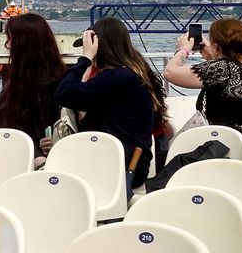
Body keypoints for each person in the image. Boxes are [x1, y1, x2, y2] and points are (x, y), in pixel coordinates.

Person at [54, 16, 166, 189]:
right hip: (127, 161)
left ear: (101, 48)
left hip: (121, 166)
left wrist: (85, 60)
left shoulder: (118, 78)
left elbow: (64, 94)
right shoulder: (131, 74)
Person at [163, 18, 242, 163]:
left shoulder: (224, 68)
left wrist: (183, 49)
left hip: (217, 152)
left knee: (161, 160)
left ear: (216, 47)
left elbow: (170, 73)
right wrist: (212, 56)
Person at [0, 13, 63, 159]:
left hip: (24, 149)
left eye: (11, 39)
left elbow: (47, 124)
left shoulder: (53, 84)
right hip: (8, 143)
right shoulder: (15, 79)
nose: (8, 44)